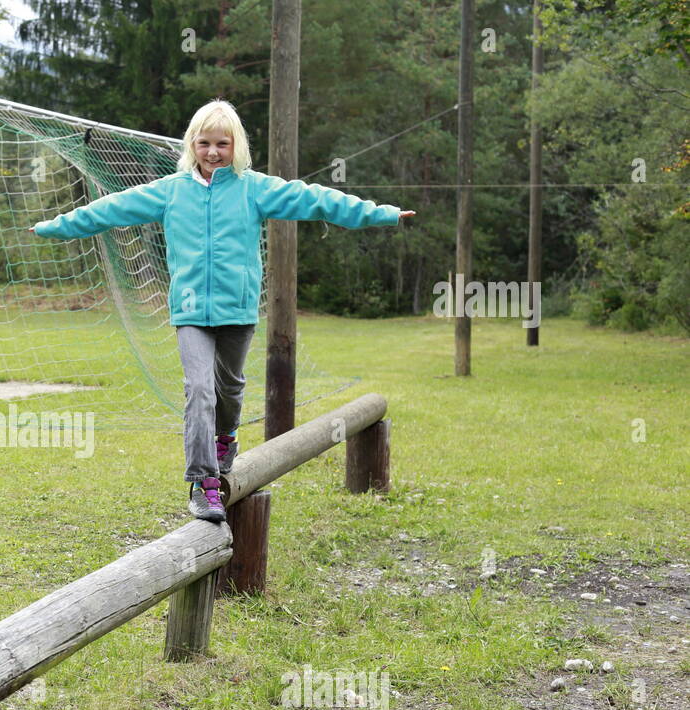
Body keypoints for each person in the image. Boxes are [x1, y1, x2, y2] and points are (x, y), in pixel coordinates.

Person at [31, 99, 415, 522]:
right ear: (191, 144)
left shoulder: (255, 189)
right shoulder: (170, 191)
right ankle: (203, 482)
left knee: (229, 389)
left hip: (237, 310)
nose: (213, 152)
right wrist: (57, 225)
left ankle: (226, 437)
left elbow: (316, 200)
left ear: (237, 147)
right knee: (199, 389)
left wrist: (383, 215)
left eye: (222, 144)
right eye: (204, 143)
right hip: (190, 312)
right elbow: (110, 208)